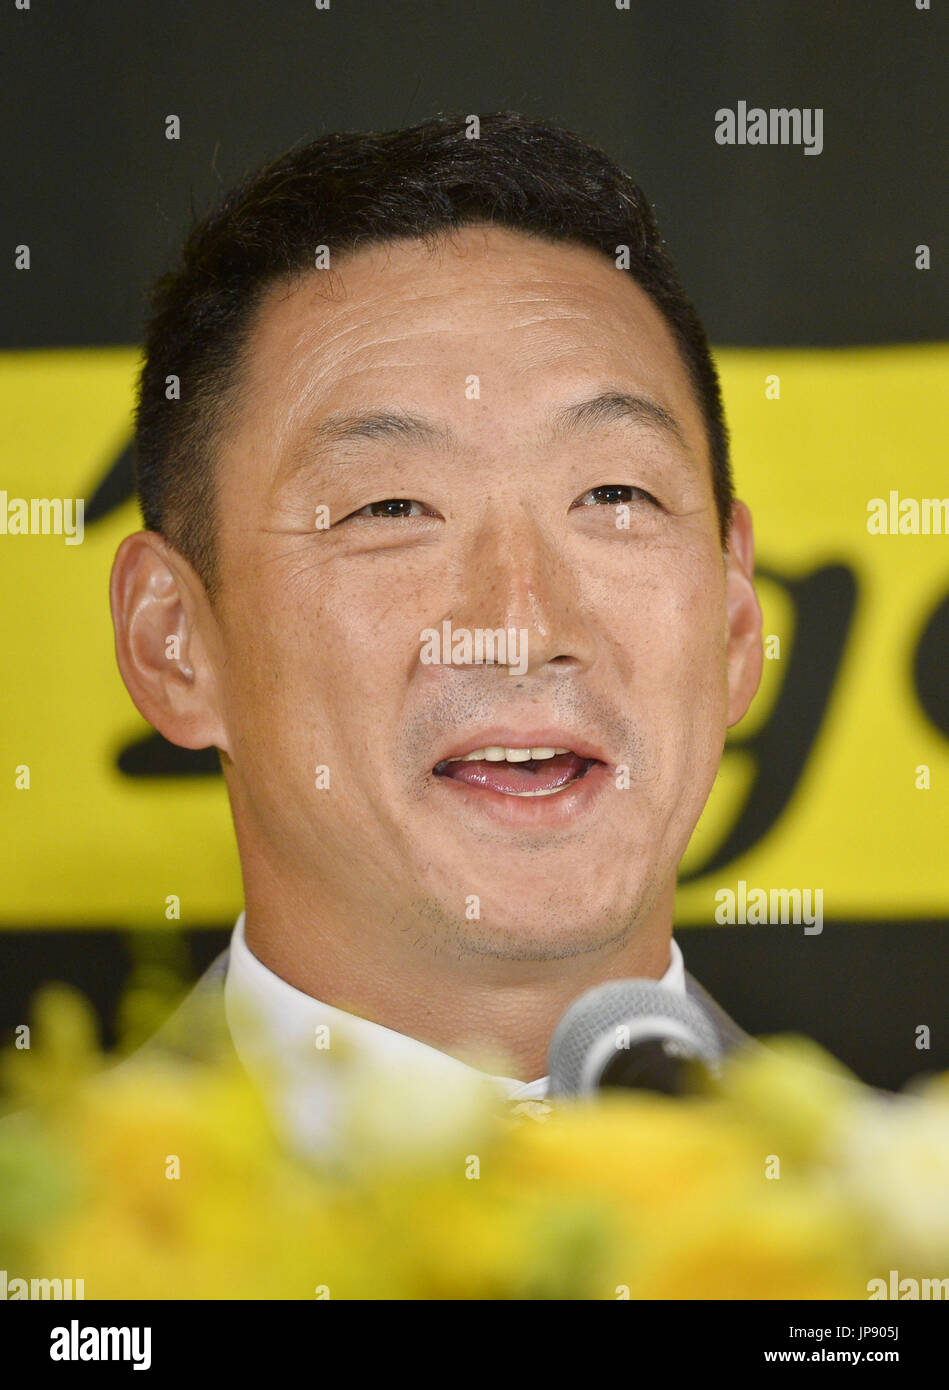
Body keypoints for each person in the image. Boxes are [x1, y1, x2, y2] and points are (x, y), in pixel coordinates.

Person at [110, 111, 763, 1156]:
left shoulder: (902, 1248)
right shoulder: (49, 1245)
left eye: (612, 492)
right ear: (173, 644)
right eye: (390, 509)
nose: (521, 625)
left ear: (735, 623)